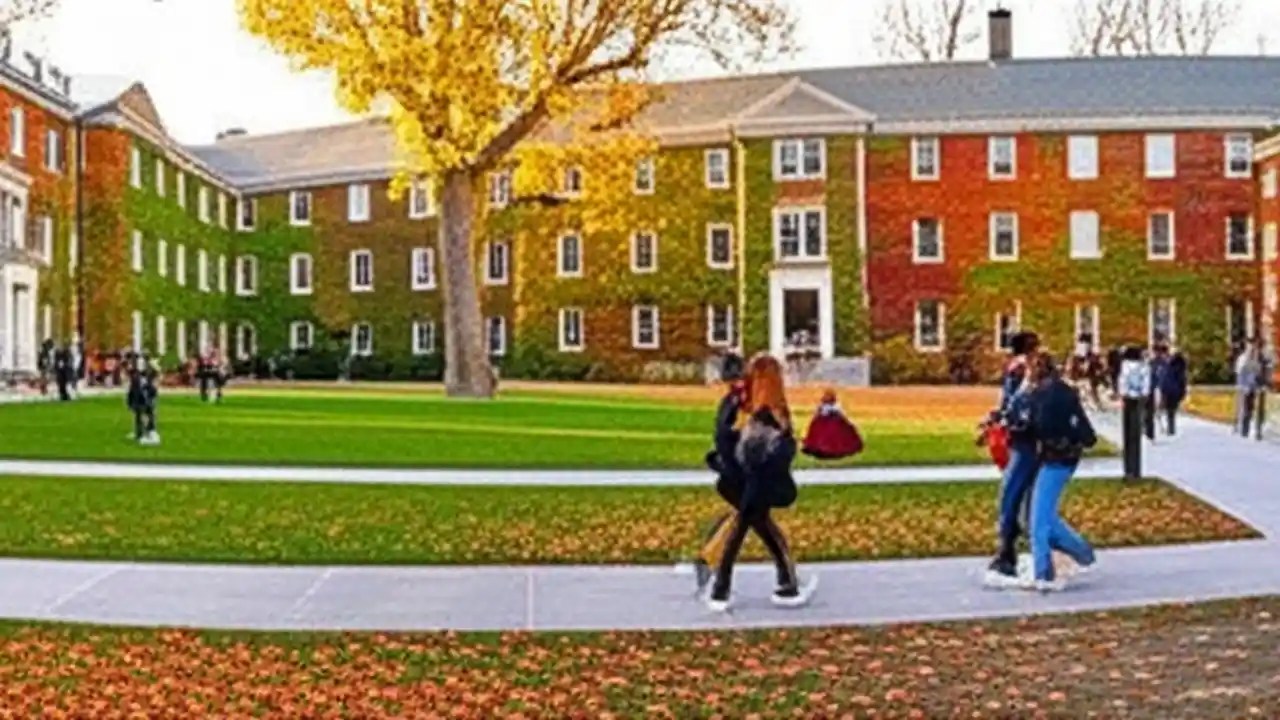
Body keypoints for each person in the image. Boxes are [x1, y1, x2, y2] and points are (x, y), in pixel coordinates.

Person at [706, 353, 817, 612]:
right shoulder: (761, 413)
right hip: (749, 477)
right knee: (752, 522)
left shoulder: (744, 407)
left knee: (755, 522)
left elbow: (727, 438)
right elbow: (773, 449)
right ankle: (726, 587)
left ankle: (729, 586)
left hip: (748, 476)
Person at [1024, 353, 1099, 592]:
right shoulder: (1066, 393)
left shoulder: (1036, 397)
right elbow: (1087, 434)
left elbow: (1031, 427)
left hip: (1051, 460)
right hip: (1067, 458)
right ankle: (1082, 552)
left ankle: (1043, 572)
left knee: (1038, 522)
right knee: (1044, 515)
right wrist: (1075, 437)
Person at [984, 331, 1040, 589]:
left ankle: (1009, 551)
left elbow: (1015, 405)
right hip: (1028, 442)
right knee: (1023, 495)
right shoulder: (1025, 370)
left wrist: (1002, 418)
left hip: (1024, 443)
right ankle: (1019, 548)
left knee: (1013, 494)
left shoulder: (1019, 371)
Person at [801, 389, 863, 460]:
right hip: (822, 424)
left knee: (835, 432)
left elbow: (843, 415)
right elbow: (816, 414)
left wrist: (850, 423)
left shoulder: (836, 406)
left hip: (834, 423)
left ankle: (833, 450)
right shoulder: (821, 406)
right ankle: (819, 448)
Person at [126, 352, 161, 446]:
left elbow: (153, 379)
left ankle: (151, 433)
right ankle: (139, 433)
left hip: (146, 395)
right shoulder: (135, 374)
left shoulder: (148, 372)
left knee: (146, 413)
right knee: (138, 413)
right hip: (139, 394)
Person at [1235, 339, 1263, 438]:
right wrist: (1243, 386)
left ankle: (1253, 429)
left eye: (1254, 348)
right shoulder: (1243, 359)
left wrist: (1257, 384)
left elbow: (1257, 373)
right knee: (1244, 409)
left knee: (1250, 409)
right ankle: (1242, 429)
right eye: (1251, 347)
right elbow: (1240, 374)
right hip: (1244, 388)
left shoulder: (1255, 360)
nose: (1253, 350)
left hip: (1252, 388)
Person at [1158, 347, 1188, 436]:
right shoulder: (1181, 368)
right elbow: (1182, 380)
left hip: (1167, 390)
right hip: (1175, 390)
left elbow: (1163, 379)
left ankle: (1170, 427)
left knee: (1168, 409)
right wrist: (1183, 392)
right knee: (1171, 410)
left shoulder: (1168, 366)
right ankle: (1171, 427)